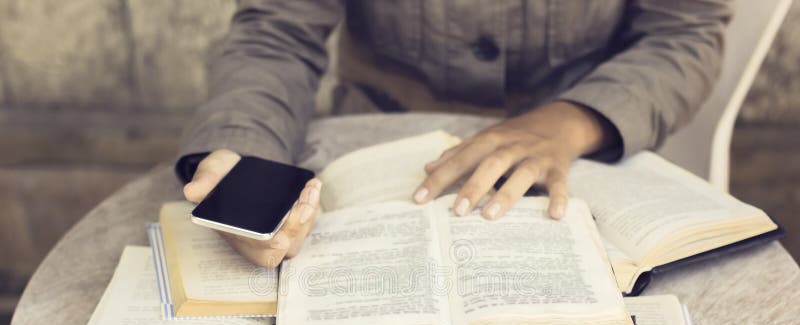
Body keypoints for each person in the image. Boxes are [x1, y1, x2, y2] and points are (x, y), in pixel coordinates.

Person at [176, 0, 732, 267]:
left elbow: (685, 33)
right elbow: (277, 32)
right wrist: (246, 157)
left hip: (583, 150)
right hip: (369, 155)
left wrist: (569, 122)